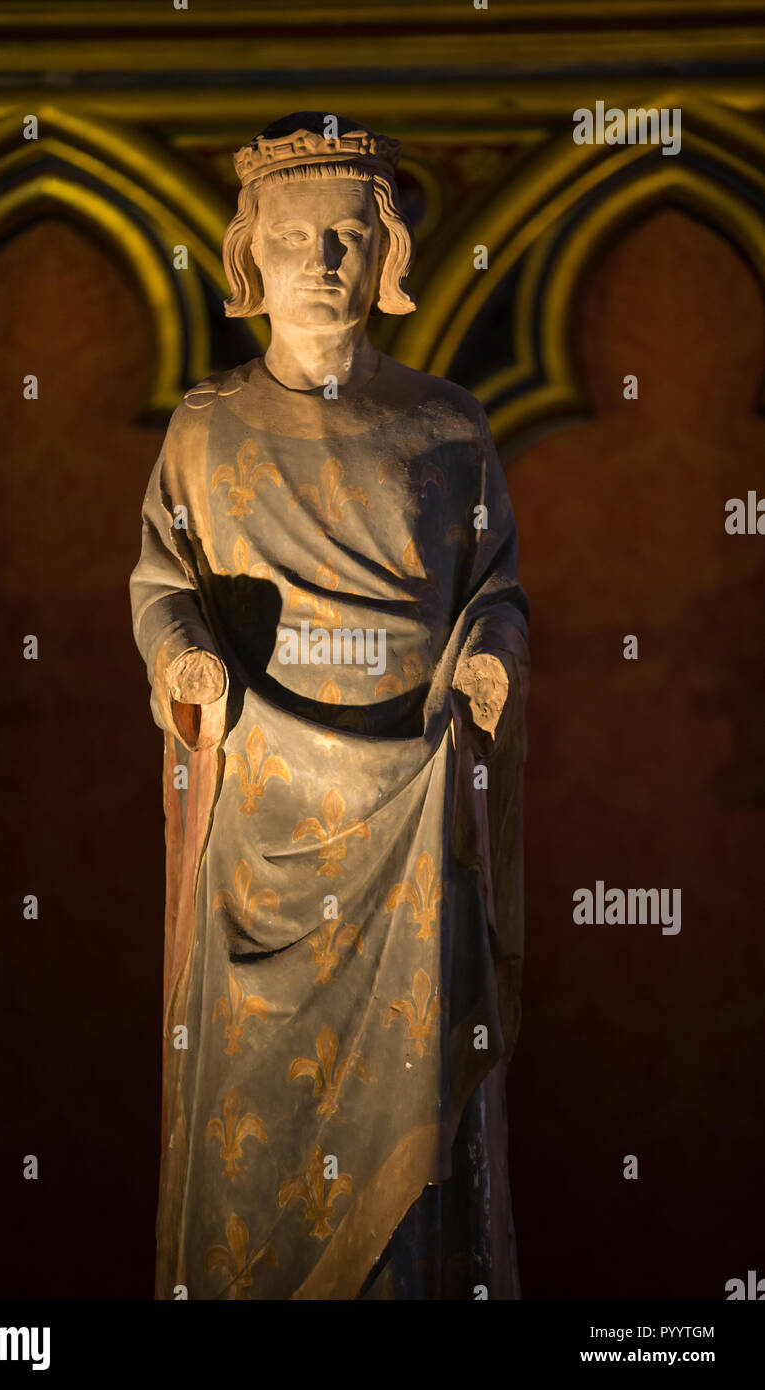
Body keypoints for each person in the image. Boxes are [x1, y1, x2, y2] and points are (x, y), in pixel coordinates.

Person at [130, 112, 530, 1300]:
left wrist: (487, 656)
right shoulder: (205, 427)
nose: (323, 261)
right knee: (257, 1135)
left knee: (412, 1142)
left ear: (388, 251)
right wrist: (181, 653)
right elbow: (162, 578)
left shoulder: (446, 425)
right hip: (265, 832)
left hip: (409, 826)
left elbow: (495, 583)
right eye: (297, 237)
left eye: (349, 237)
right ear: (250, 253)